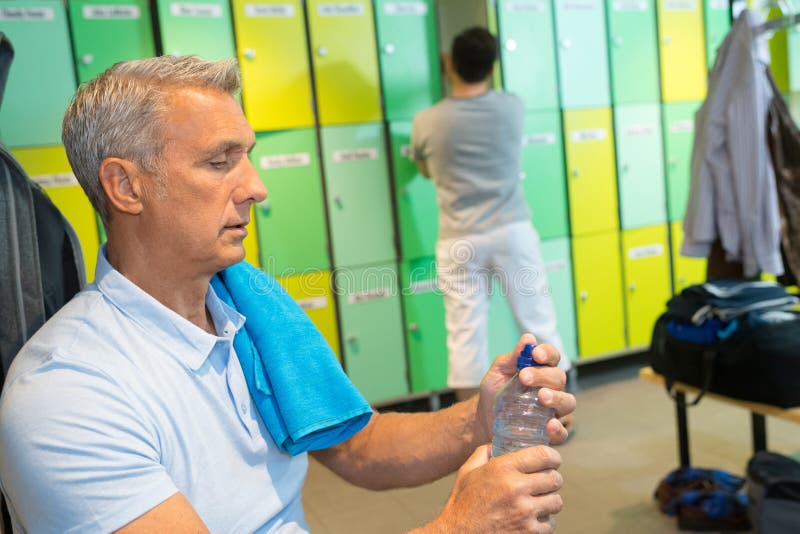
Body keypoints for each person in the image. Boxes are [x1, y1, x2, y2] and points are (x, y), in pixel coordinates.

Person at [0, 55, 575, 532]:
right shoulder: (67, 394)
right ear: (126, 186)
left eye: (247, 157)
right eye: (219, 162)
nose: (256, 187)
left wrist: (480, 419)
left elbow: (360, 444)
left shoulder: (244, 308)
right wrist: (457, 527)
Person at [411, 27, 575, 407]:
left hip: (459, 238)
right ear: (493, 65)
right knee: (538, 319)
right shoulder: (511, 106)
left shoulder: (428, 120)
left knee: (465, 333)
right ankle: (558, 411)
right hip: (511, 230)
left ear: (449, 62)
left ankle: (470, 422)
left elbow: (425, 169)